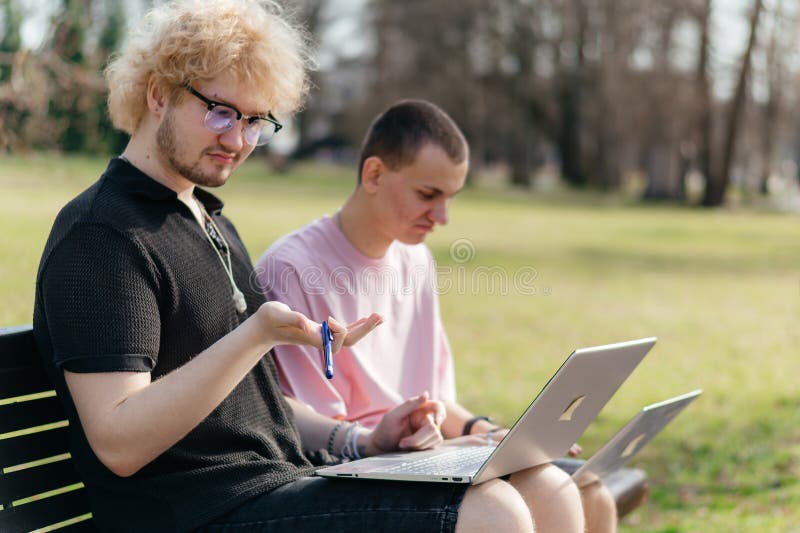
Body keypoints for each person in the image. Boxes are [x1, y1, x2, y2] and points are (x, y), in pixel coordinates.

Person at [31, 1, 584, 532]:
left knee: (543, 488)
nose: (237, 139)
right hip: (198, 513)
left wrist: (362, 443)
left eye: (254, 121)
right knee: (492, 513)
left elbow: (253, 410)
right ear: (157, 94)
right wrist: (253, 337)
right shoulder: (102, 235)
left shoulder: (206, 221)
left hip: (276, 486)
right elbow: (118, 442)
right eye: (220, 111)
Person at [256, 100, 618, 532]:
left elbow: (435, 400)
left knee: (572, 487)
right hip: (352, 469)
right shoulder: (292, 268)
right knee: (531, 496)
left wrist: (485, 431)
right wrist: (442, 448)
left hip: (424, 459)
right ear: (373, 175)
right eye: (428, 195)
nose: (442, 217)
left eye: (449, 198)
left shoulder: (416, 260)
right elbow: (315, 435)